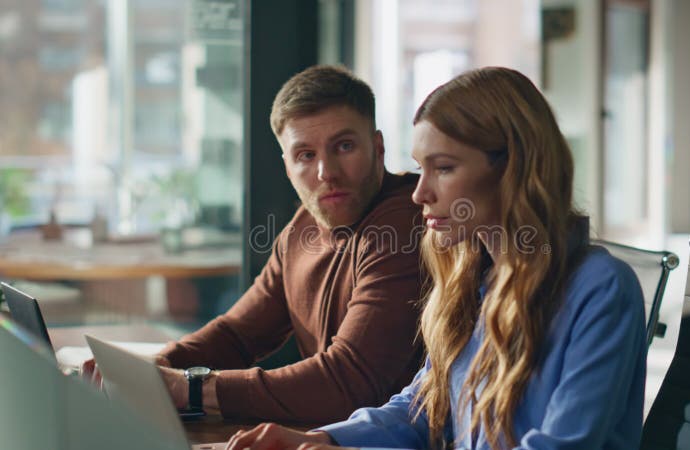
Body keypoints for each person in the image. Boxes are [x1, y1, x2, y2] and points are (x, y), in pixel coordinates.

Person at [224, 66, 647, 450]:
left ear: (512, 168)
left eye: (443, 168)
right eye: (420, 168)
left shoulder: (601, 287)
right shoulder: (475, 278)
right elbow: (423, 408)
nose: (419, 193)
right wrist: (319, 440)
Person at [82, 65, 425, 423]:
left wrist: (187, 387)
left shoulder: (407, 223)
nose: (326, 172)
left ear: (378, 147)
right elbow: (237, 334)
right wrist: (159, 366)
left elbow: (347, 383)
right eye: (305, 155)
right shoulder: (302, 229)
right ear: (287, 167)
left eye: (344, 146)